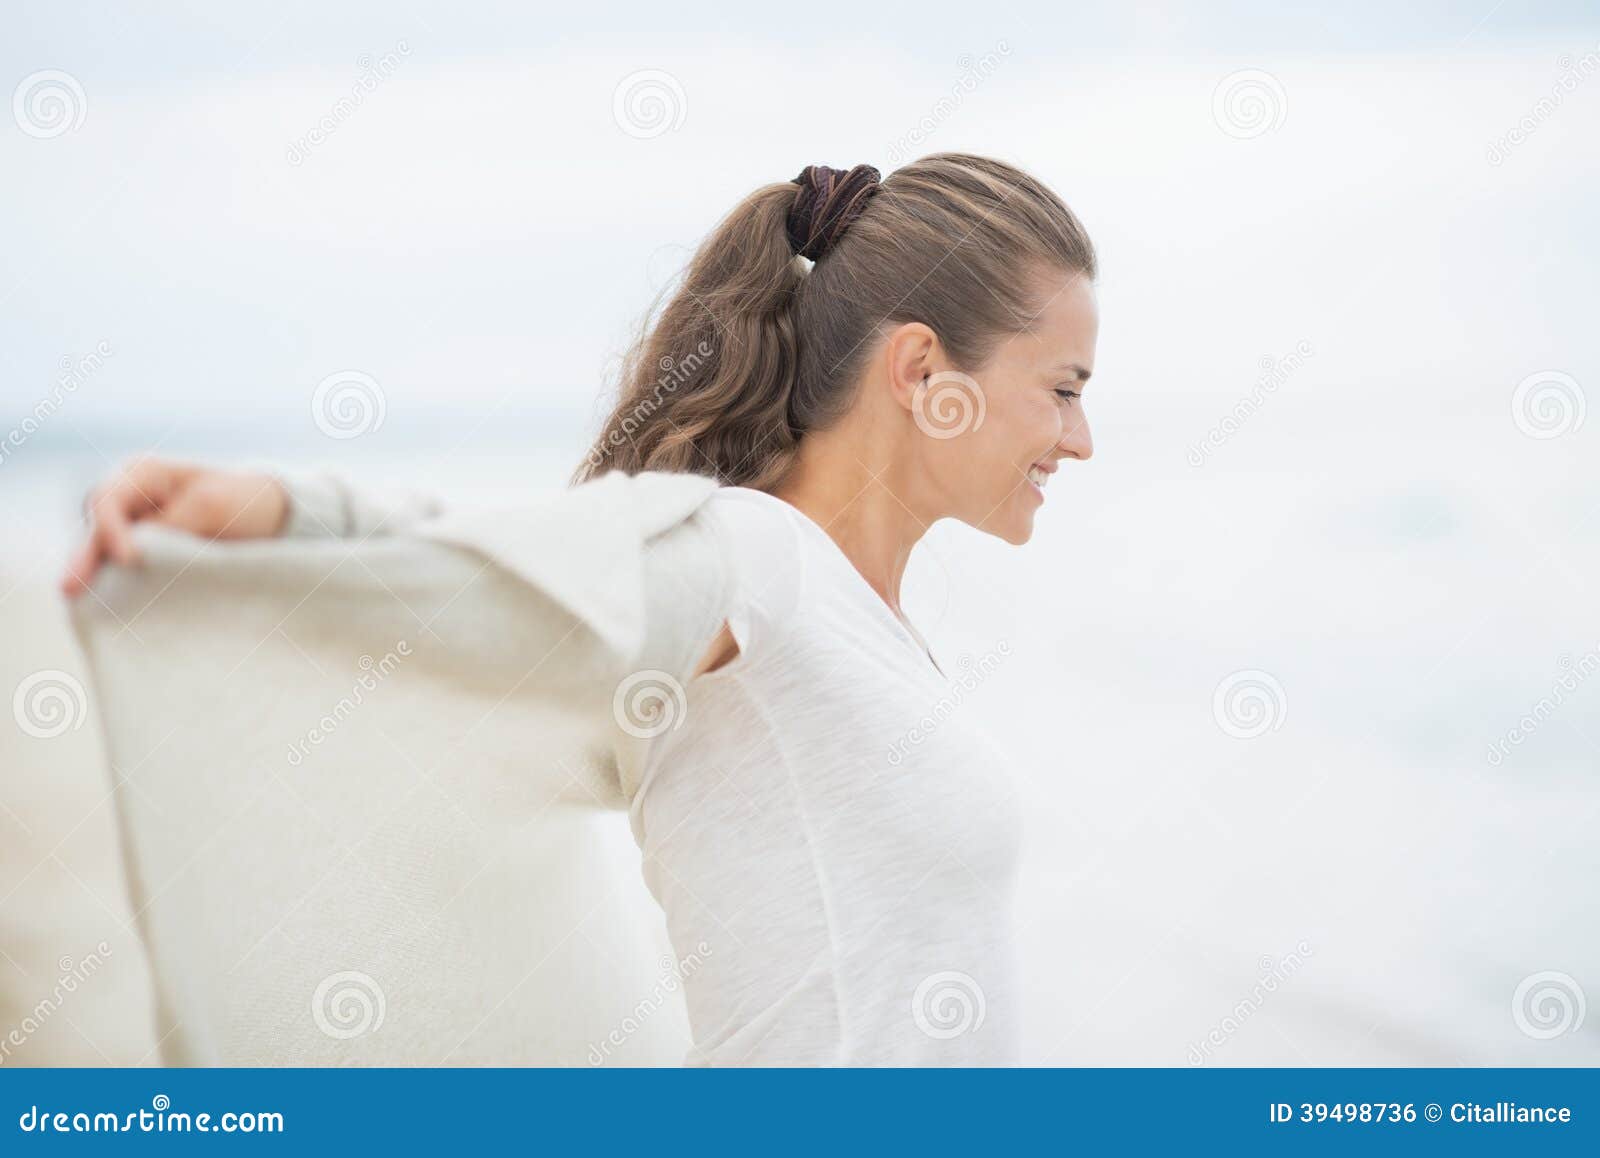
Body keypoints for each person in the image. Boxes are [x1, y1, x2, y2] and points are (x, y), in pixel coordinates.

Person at [62, 153, 1099, 1065]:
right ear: (922, 370)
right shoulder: (756, 558)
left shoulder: (857, 611)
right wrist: (290, 514)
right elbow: (506, 585)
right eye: (1062, 388)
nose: (1080, 437)